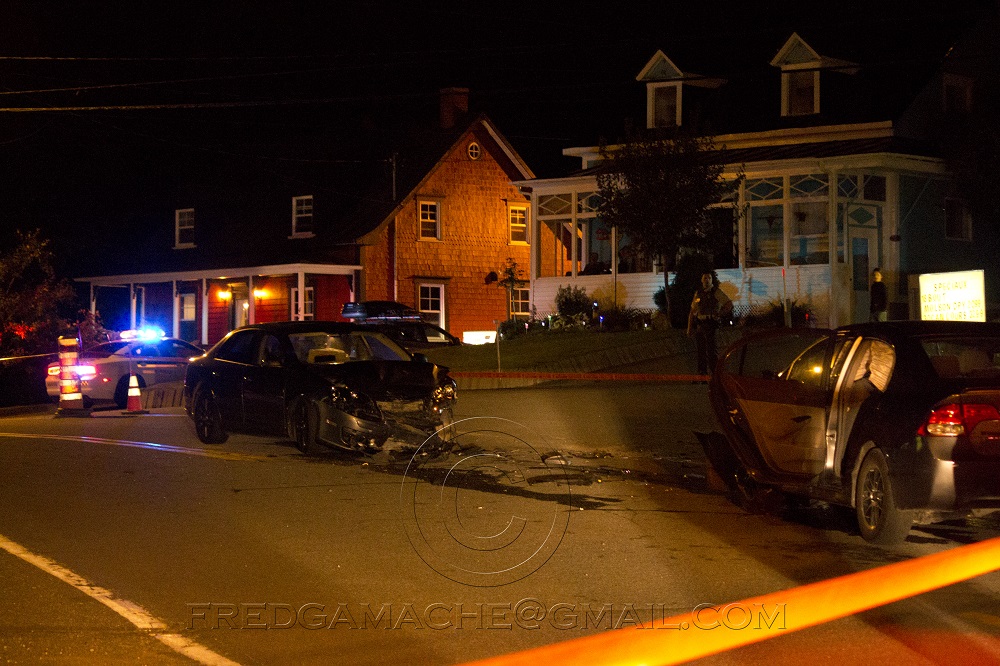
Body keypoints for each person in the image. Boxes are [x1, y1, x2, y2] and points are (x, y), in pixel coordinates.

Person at [687, 272, 733, 376]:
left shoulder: (716, 292)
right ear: (702, 280)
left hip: (711, 324)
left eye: (709, 278)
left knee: (712, 351)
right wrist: (689, 328)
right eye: (705, 278)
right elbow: (692, 311)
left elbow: (728, 304)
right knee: (701, 351)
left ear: (712, 280)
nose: (707, 280)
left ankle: (715, 374)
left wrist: (720, 314)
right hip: (700, 325)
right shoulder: (698, 293)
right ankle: (702, 374)